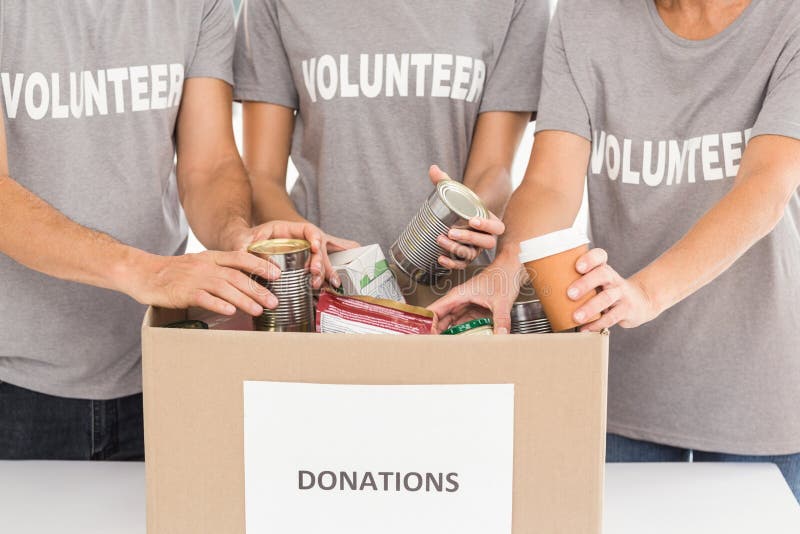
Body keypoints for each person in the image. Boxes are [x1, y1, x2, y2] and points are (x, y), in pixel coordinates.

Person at [430, 0, 800, 500]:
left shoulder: (789, 20)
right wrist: (506, 269)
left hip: (760, 395)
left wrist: (644, 293)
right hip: (621, 392)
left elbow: (766, 186)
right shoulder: (585, 17)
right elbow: (549, 185)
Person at [0, 0, 335, 461]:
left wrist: (237, 235)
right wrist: (148, 272)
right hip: (16, 380)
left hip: (160, 368)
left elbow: (210, 166)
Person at [233, 0, 551, 274]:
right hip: (322, 293)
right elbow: (261, 178)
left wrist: (468, 223)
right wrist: (311, 247)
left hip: (455, 299)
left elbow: (494, 169)